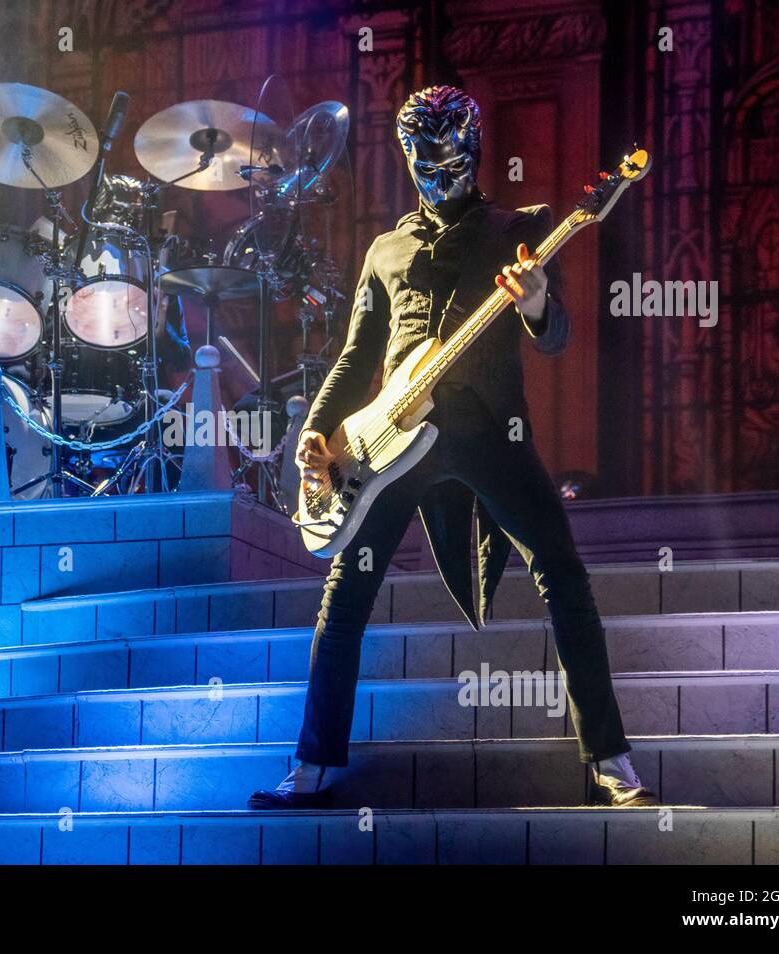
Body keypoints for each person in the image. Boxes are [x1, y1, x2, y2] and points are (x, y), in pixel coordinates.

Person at [249, 86, 656, 809]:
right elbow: (354, 356)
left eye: (451, 161)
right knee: (345, 592)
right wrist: (317, 431)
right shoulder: (384, 249)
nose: (440, 176)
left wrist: (533, 304)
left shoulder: (522, 227)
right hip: (385, 439)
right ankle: (311, 763)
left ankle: (610, 761)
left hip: (490, 431)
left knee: (563, 575)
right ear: (408, 159)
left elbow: (557, 337)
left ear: (473, 151)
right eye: (425, 163)